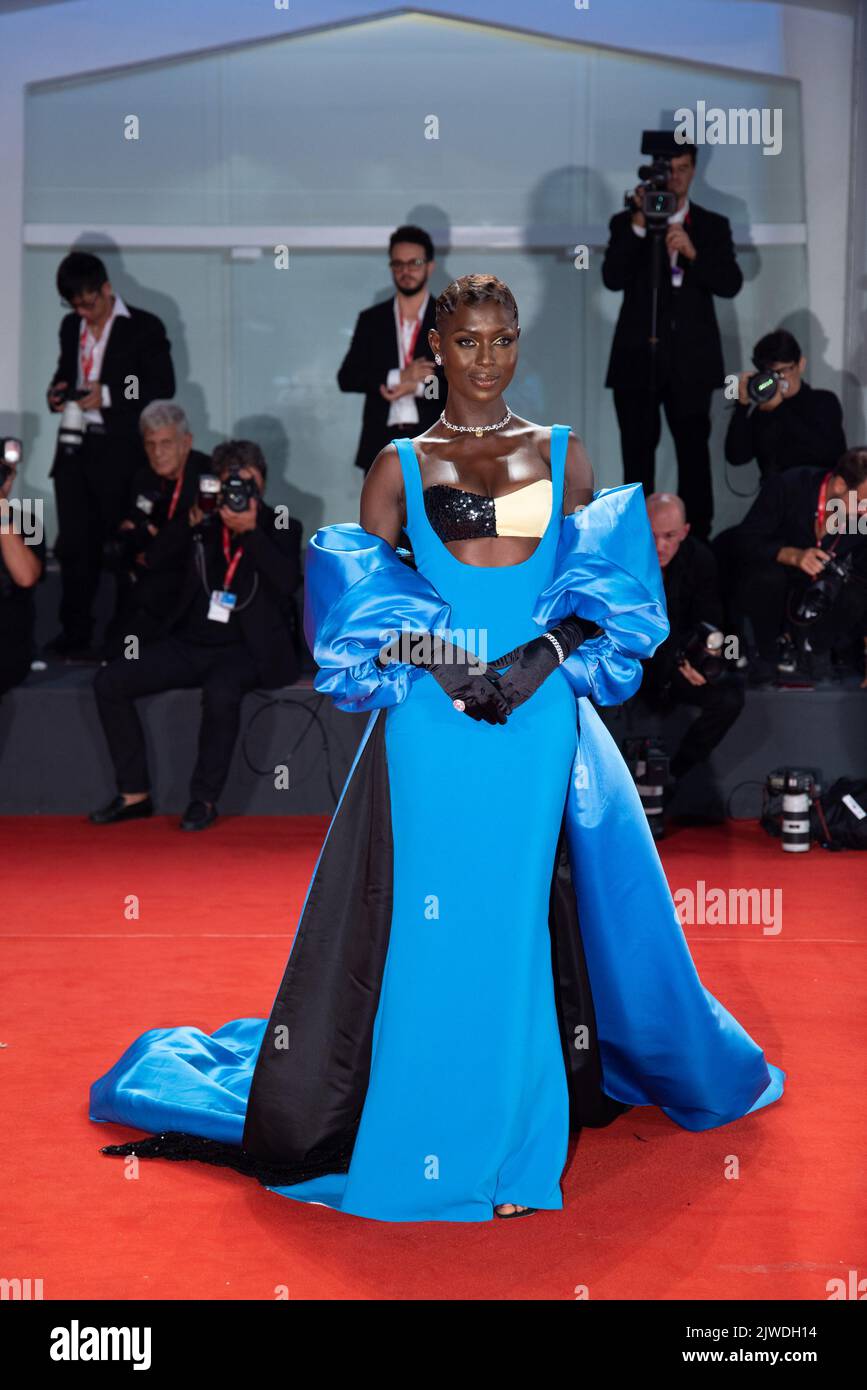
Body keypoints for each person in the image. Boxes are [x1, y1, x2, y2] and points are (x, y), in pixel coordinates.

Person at [89, 276, 784, 1224]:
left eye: (504, 341)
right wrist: (449, 663)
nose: (488, 359)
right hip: (430, 721)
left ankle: (512, 1154)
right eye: (468, 343)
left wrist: (535, 659)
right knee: (430, 935)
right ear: (436, 353)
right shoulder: (396, 467)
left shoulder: (566, 457)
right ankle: (425, 1143)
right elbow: (351, 618)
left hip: (536, 722)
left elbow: (605, 608)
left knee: (511, 935)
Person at [89, 440, 302, 832]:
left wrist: (252, 533)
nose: (238, 493)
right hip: (190, 642)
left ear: (263, 484)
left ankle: (203, 799)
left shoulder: (281, 523)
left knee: (221, 693)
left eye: (247, 484)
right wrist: (189, 522)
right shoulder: (202, 521)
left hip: (247, 650)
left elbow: (288, 581)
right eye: (229, 484)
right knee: (110, 682)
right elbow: (153, 561)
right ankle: (134, 793)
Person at [602, 140, 742, 540]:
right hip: (636, 360)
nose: (675, 177)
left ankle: (697, 545)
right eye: (668, 169)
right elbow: (612, 279)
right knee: (637, 458)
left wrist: (694, 253)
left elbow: (730, 283)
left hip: (691, 364)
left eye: (682, 168)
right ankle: (636, 542)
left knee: (694, 457)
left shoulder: (712, 225)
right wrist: (639, 225)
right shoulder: (628, 221)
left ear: (694, 170)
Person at [46, 251, 176, 659]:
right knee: (74, 548)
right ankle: (75, 634)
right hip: (74, 448)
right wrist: (58, 389)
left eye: (89, 303)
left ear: (106, 288)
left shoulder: (143, 326)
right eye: (76, 306)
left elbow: (160, 385)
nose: (84, 313)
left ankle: (124, 639)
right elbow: (67, 371)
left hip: (120, 454)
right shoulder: (71, 327)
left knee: (122, 545)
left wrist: (107, 393)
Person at [636, 492, 744, 803]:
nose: (659, 546)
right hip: (631, 666)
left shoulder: (700, 559)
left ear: (684, 532)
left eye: (669, 536)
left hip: (676, 664)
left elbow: (712, 625)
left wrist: (699, 659)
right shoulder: (621, 559)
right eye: (652, 535)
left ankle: (674, 774)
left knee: (730, 695)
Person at [728, 449, 867, 684]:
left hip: (821, 589)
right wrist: (790, 555)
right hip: (778, 575)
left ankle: (817, 649)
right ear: (841, 485)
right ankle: (767, 654)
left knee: (857, 592)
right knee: (766, 578)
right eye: (864, 501)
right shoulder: (790, 485)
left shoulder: (861, 518)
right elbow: (745, 539)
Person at [102, 402, 211, 659]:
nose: (157, 453)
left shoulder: (207, 476)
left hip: (194, 578)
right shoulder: (143, 478)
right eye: (150, 444)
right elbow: (132, 527)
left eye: (166, 443)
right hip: (149, 577)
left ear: (186, 441)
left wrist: (157, 545)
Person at [337, 225, 445, 474]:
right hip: (380, 445)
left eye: (414, 263)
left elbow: (457, 383)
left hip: (433, 445)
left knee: (431, 514)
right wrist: (399, 377)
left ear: (430, 266)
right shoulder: (372, 319)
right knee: (379, 514)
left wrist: (418, 387)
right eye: (398, 264)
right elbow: (347, 378)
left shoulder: (447, 318)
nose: (405, 271)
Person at [725, 329, 847, 482]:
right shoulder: (763, 411)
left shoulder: (823, 401)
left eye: (782, 372)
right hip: (774, 498)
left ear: (800, 364)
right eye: (769, 374)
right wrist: (742, 406)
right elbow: (737, 457)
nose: (777, 380)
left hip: (814, 496)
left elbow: (828, 454)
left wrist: (780, 409)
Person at [0, 453, 44, 699]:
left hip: (8, 642)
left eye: (5, 473)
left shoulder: (29, 521)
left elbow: (26, 577)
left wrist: (1, 511)